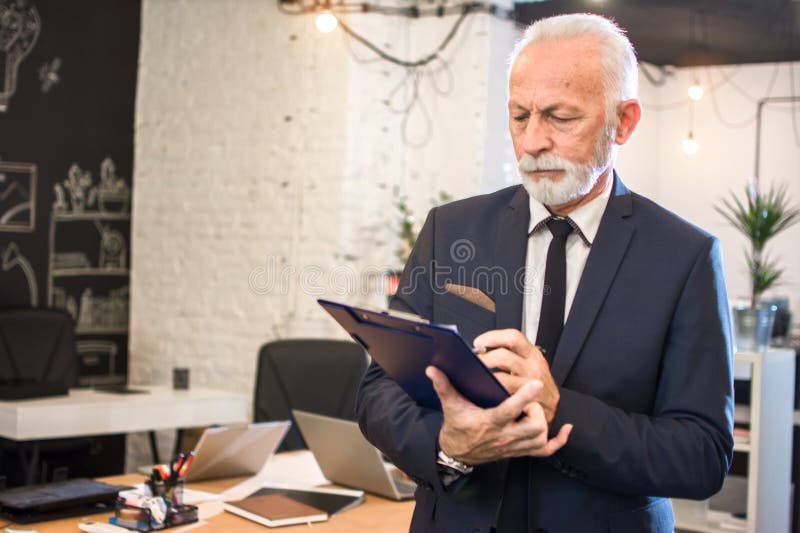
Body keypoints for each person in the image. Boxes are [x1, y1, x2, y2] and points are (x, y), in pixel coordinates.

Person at [356, 13, 734, 533]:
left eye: (560, 117)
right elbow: (380, 389)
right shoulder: (451, 227)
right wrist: (447, 446)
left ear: (623, 121)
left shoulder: (685, 257)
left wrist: (558, 410)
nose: (532, 142)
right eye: (519, 116)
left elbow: (703, 453)